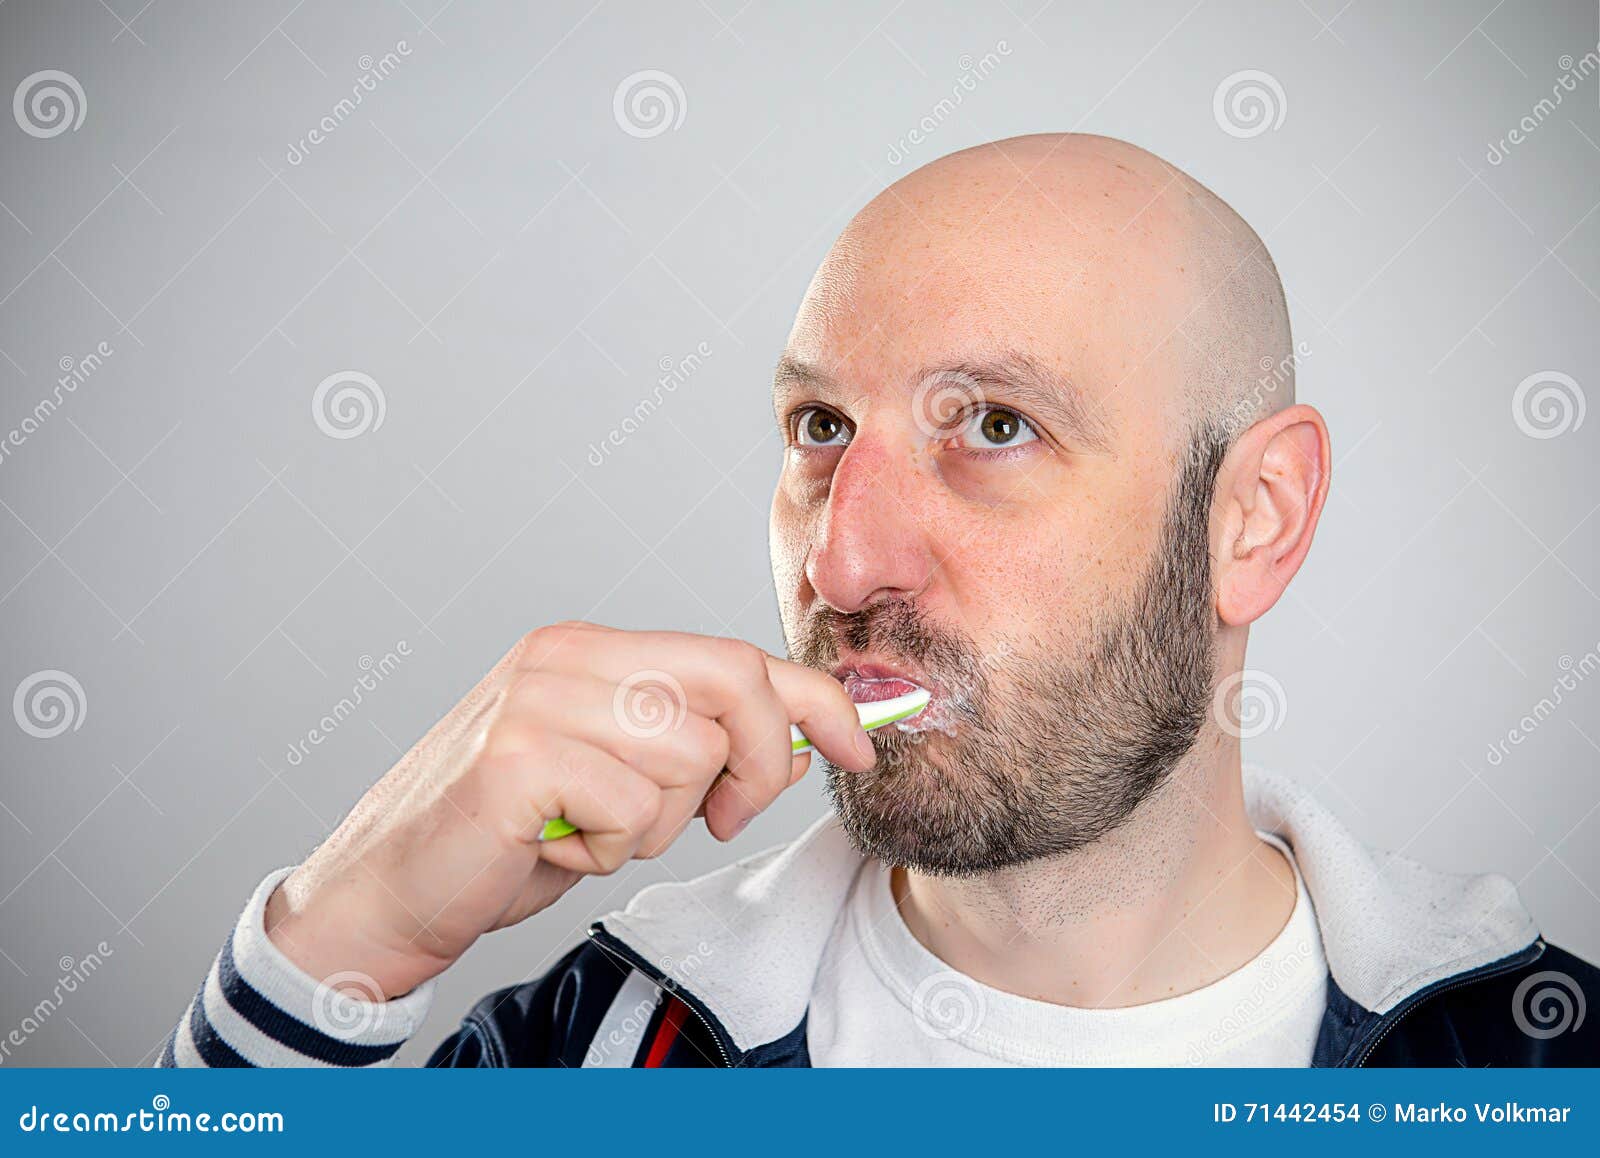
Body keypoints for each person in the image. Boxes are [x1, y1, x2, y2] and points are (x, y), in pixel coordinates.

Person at [160, 133, 1597, 1068]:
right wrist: (350, 938)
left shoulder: (1542, 1062)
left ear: (1253, 517)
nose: (841, 571)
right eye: (822, 432)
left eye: (992, 427)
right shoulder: (605, 1052)